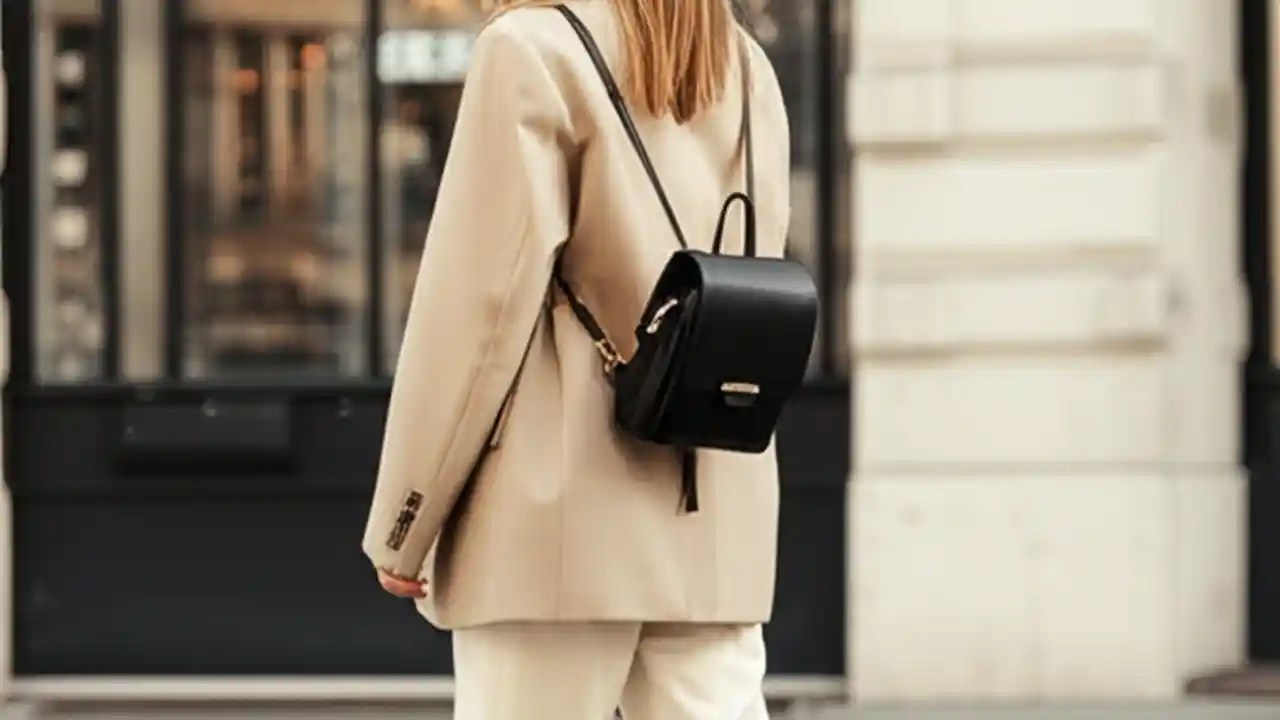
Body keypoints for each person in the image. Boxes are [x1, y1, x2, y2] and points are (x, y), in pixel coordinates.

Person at [361, 0, 791, 717]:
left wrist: (405, 520)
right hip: (712, 518)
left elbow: (477, 312)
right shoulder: (743, 64)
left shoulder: (530, 51)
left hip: (555, 524)